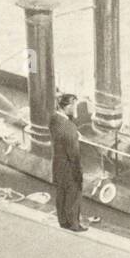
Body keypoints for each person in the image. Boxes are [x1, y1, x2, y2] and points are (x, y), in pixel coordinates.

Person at [48, 92, 86, 232]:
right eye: (74, 105)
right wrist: (79, 173)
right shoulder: (69, 127)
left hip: (58, 165)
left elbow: (61, 136)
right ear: (68, 106)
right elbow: (74, 155)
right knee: (73, 195)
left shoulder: (54, 119)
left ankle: (63, 221)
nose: (75, 108)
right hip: (69, 168)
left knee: (61, 194)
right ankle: (74, 225)